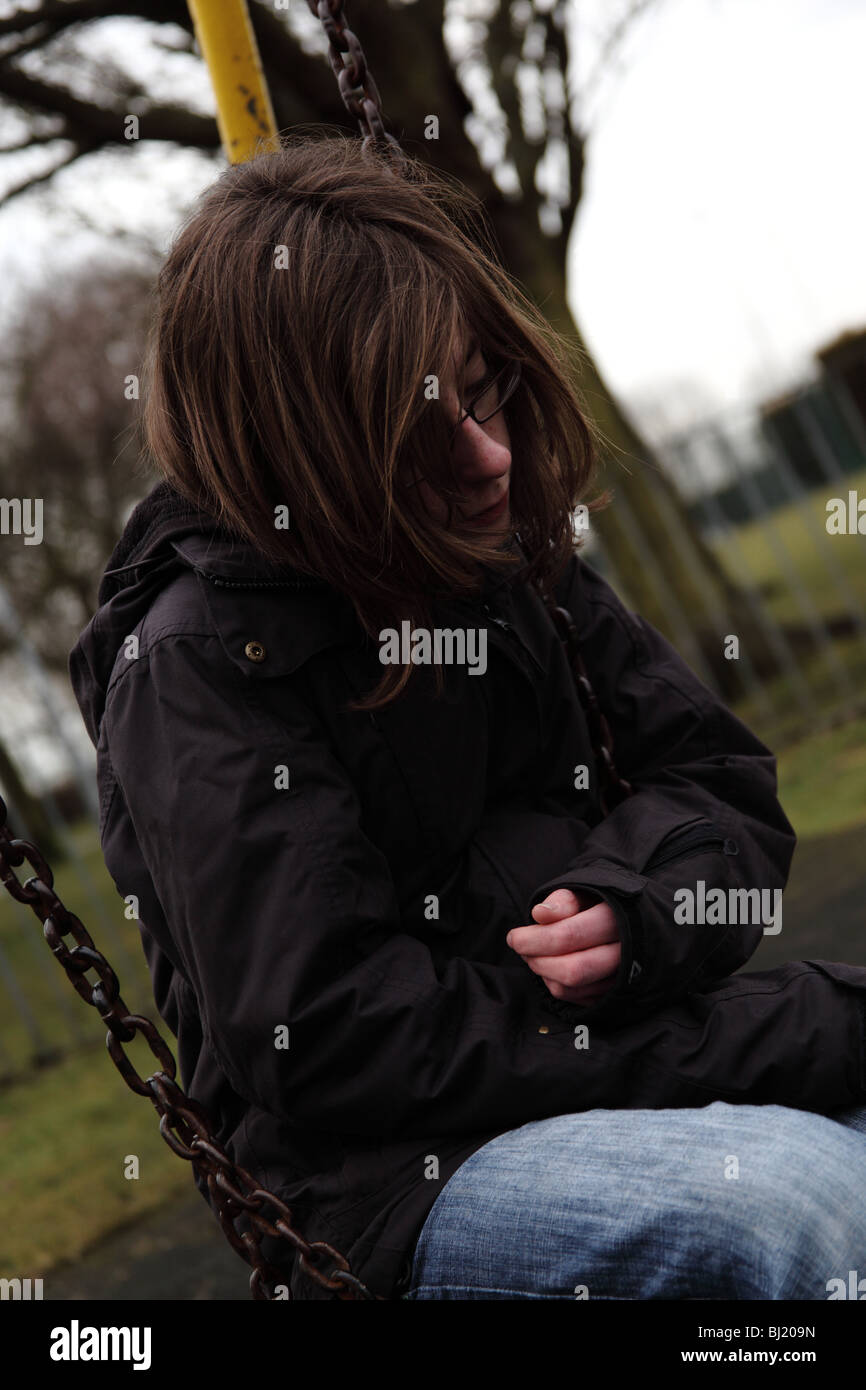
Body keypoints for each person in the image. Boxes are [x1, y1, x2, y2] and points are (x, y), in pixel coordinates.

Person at [69, 133, 866, 1302]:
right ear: (306, 449)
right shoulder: (195, 665)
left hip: (593, 1065)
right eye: (420, 436)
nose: (491, 458)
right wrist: (773, 1030)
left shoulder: (491, 552)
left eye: (484, 392)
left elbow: (714, 779)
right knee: (791, 1210)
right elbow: (334, 1035)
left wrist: (636, 912)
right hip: (393, 1187)